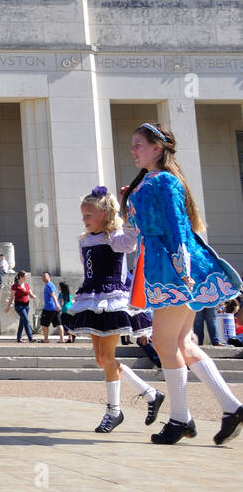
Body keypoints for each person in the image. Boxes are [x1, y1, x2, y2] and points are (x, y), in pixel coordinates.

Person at [122, 121, 243, 445]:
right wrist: (128, 204)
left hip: (173, 272)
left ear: (157, 148)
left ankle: (180, 418)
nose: (133, 149)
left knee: (165, 342)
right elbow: (135, 232)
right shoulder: (148, 183)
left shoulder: (164, 182)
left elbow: (177, 227)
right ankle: (230, 407)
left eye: (139, 144)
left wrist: (182, 268)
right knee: (183, 344)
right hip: (166, 269)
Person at [64, 186, 163, 433]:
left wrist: (127, 204)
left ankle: (114, 411)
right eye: (83, 216)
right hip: (92, 298)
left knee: (107, 358)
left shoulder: (116, 237)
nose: (84, 220)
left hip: (111, 300)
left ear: (105, 215)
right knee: (101, 359)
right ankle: (150, 393)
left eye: (89, 216)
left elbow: (132, 240)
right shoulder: (85, 239)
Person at [7, 271, 37, 343]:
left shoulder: (26, 285)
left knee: (22, 322)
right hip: (19, 306)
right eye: (25, 276)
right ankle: (30, 338)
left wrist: (34, 296)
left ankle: (19, 338)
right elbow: (11, 297)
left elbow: (31, 294)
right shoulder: (15, 286)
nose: (26, 277)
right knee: (26, 320)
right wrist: (8, 306)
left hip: (26, 306)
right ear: (21, 277)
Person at [39, 271, 63, 343]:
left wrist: (56, 304)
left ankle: (46, 339)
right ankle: (62, 339)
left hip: (49, 308)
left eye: (45, 276)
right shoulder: (52, 285)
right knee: (59, 324)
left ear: (49, 277)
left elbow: (53, 295)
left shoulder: (49, 285)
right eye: (42, 276)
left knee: (44, 324)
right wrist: (57, 306)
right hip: (55, 308)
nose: (43, 278)